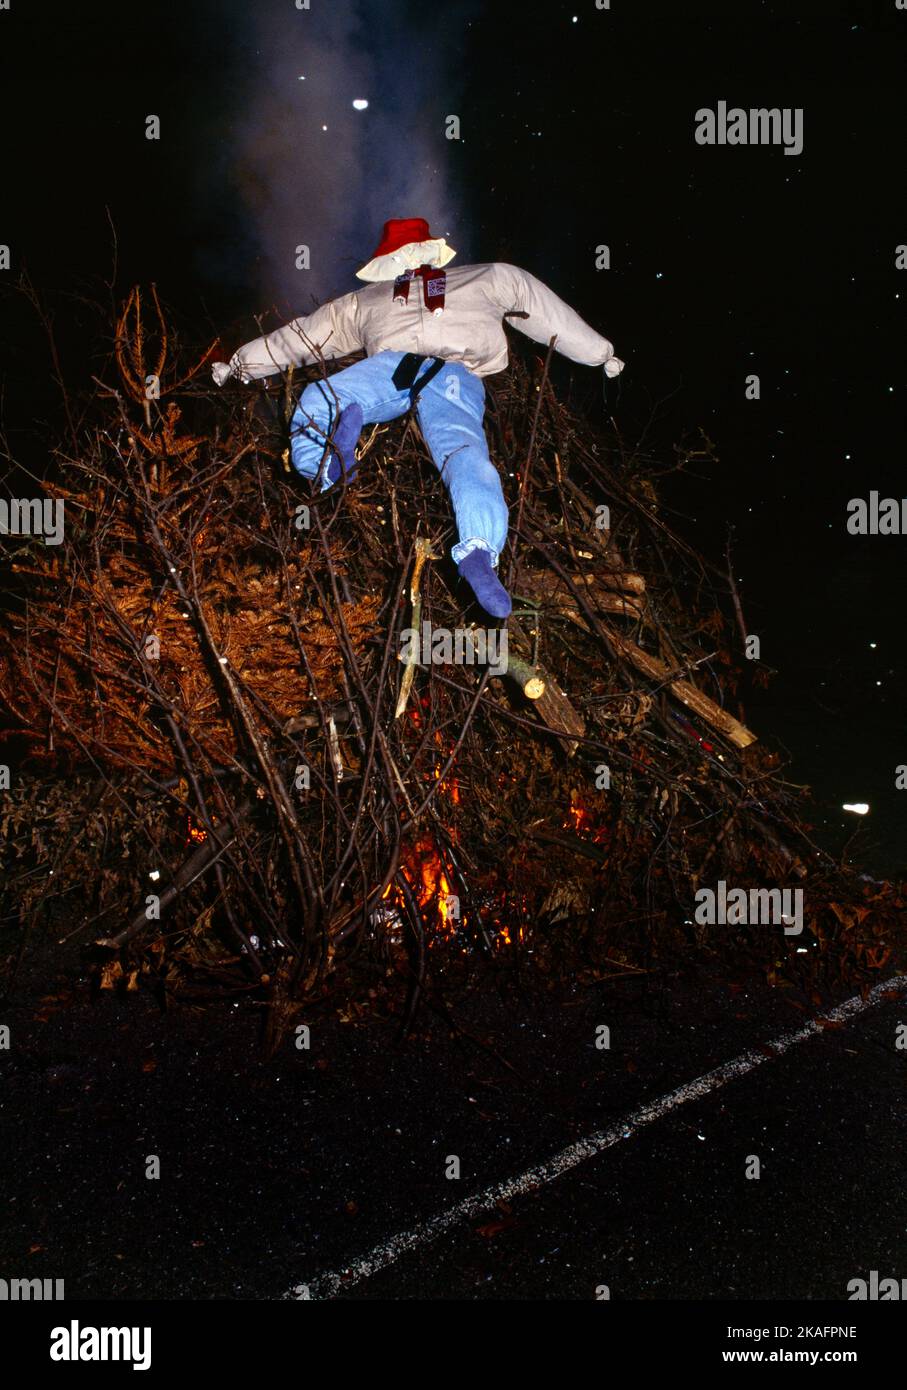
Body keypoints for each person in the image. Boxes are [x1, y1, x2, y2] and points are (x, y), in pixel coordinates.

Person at [211, 217, 624, 618]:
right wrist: (240, 364)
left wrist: (598, 351)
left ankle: (479, 550)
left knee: (463, 451)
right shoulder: (367, 301)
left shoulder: (486, 278)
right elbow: (305, 335)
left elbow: (539, 304)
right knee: (323, 396)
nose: (407, 261)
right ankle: (328, 463)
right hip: (396, 367)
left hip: (453, 374)